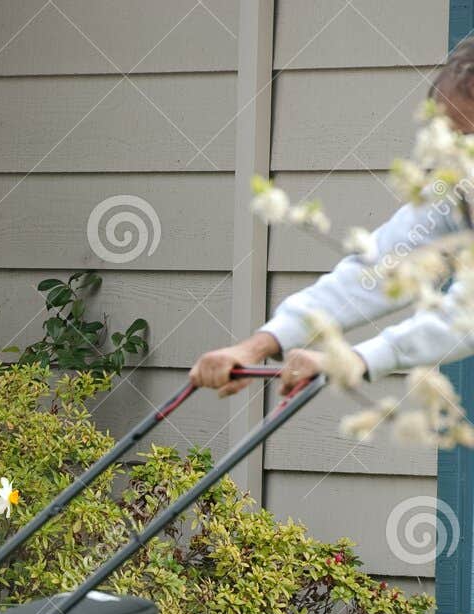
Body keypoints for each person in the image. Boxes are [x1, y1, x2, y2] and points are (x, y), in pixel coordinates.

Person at [191, 38, 474, 397]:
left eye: (466, 139)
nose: (457, 156)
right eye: (447, 140)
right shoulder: (457, 187)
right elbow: (380, 269)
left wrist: (356, 359)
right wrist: (255, 347)